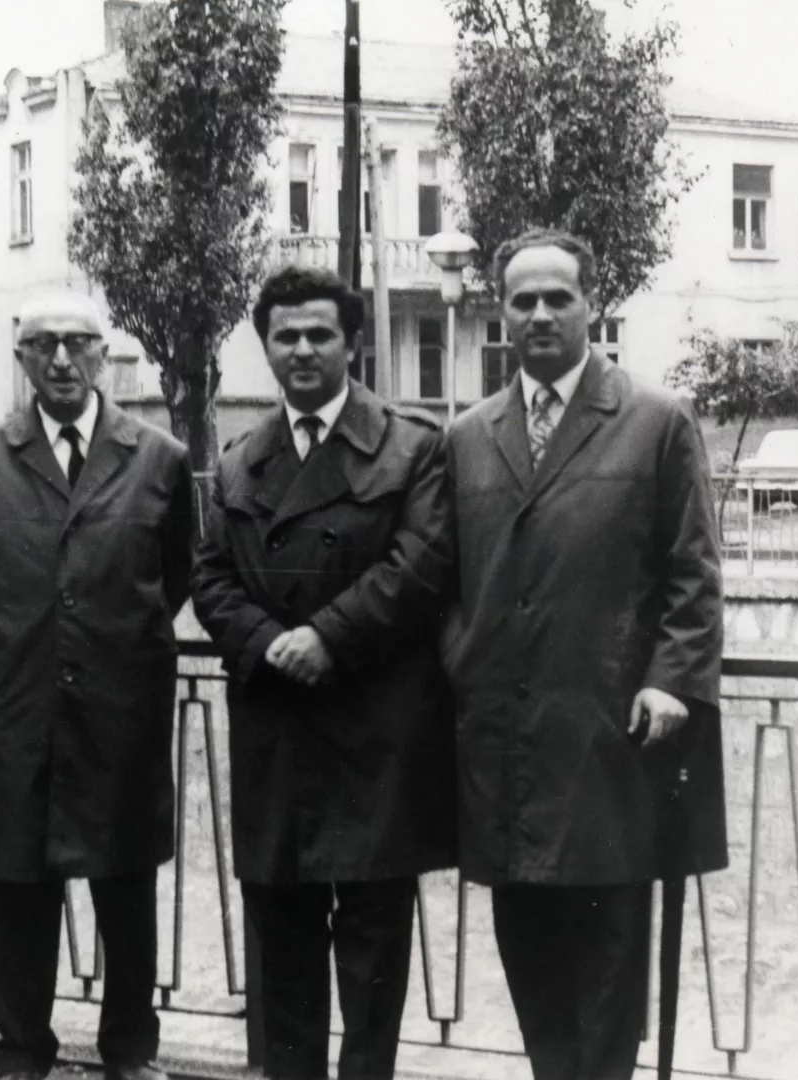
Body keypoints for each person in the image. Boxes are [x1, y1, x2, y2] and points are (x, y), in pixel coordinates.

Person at [443, 228, 727, 1080]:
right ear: (500, 312)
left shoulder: (654, 420)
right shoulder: (468, 435)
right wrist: (464, 663)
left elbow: (695, 571)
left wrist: (672, 681)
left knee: (607, 977)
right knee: (529, 965)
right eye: (521, 300)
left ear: (591, 305)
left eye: (556, 297)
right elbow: (446, 583)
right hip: (506, 752)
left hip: (609, 748)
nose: (538, 314)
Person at [192, 265, 456, 1080]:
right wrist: (270, 641)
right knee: (284, 956)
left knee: (374, 962)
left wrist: (326, 639)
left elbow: (421, 565)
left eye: (320, 334)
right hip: (279, 738)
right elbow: (208, 576)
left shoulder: (414, 447)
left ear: (353, 343)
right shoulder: (240, 461)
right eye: (285, 335)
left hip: (377, 738)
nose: (302, 350)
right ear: (265, 346)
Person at [0, 292, 194, 1080]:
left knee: (126, 892)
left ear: (103, 353)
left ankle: (129, 1051)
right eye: (42, 344)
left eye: (77, 343)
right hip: (17, 714)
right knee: (19, 891)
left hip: (121, 715)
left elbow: (175, 577)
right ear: (20, 359)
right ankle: (20, 1053)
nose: (60, 359)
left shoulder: (159, 459)